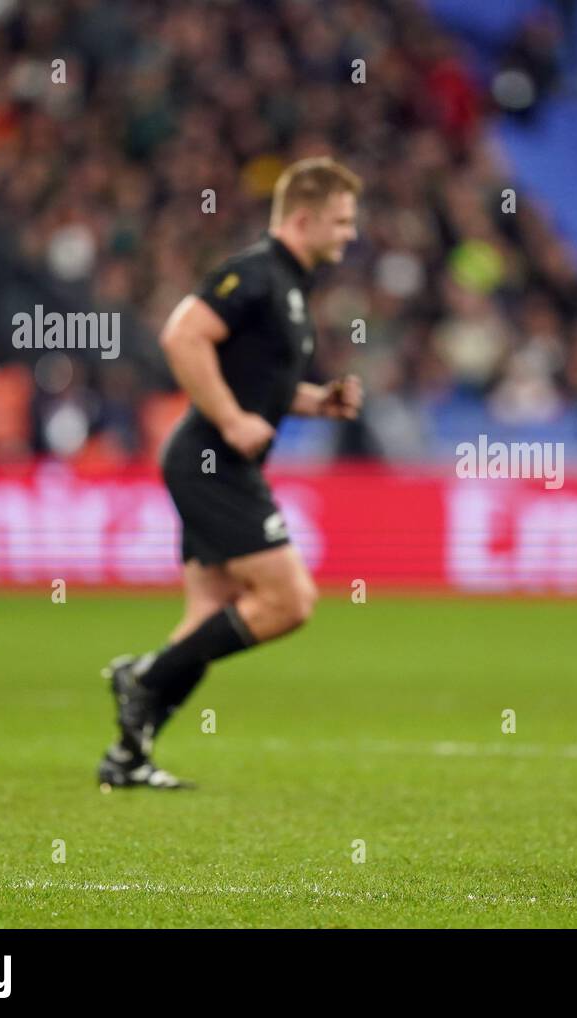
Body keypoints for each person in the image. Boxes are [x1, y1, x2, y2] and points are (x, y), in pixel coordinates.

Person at [97, 157, 363, 789]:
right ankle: (144, 675)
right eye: (341, 221)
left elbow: (260, 384)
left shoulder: (290, 287)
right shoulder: (256, 272)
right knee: (289, 601)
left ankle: (127, 757)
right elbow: (182, 335)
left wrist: (317, 401)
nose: (350, 234)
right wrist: (231, 419)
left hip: (216, 462)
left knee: (206, 618)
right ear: (303, 219)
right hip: (210, 463)